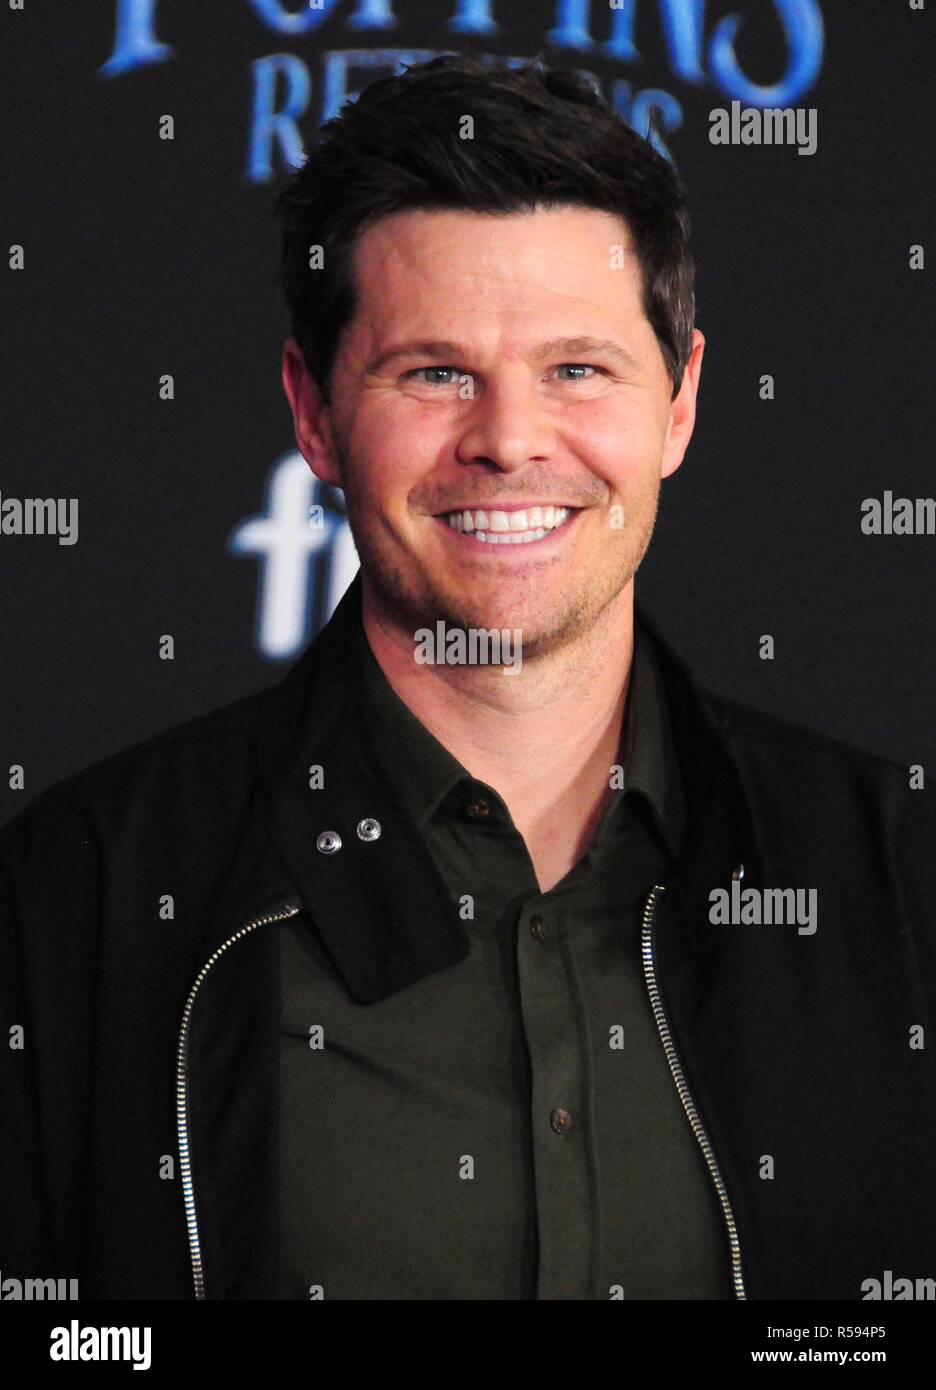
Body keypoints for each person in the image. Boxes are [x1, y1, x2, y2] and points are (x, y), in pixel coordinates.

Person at [2, 54, 934, 1302]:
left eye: (579, 369)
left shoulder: (899, 882)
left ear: (681, 403)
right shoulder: (78, 906)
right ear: (315, 413)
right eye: (435, 371)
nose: (507, 438)